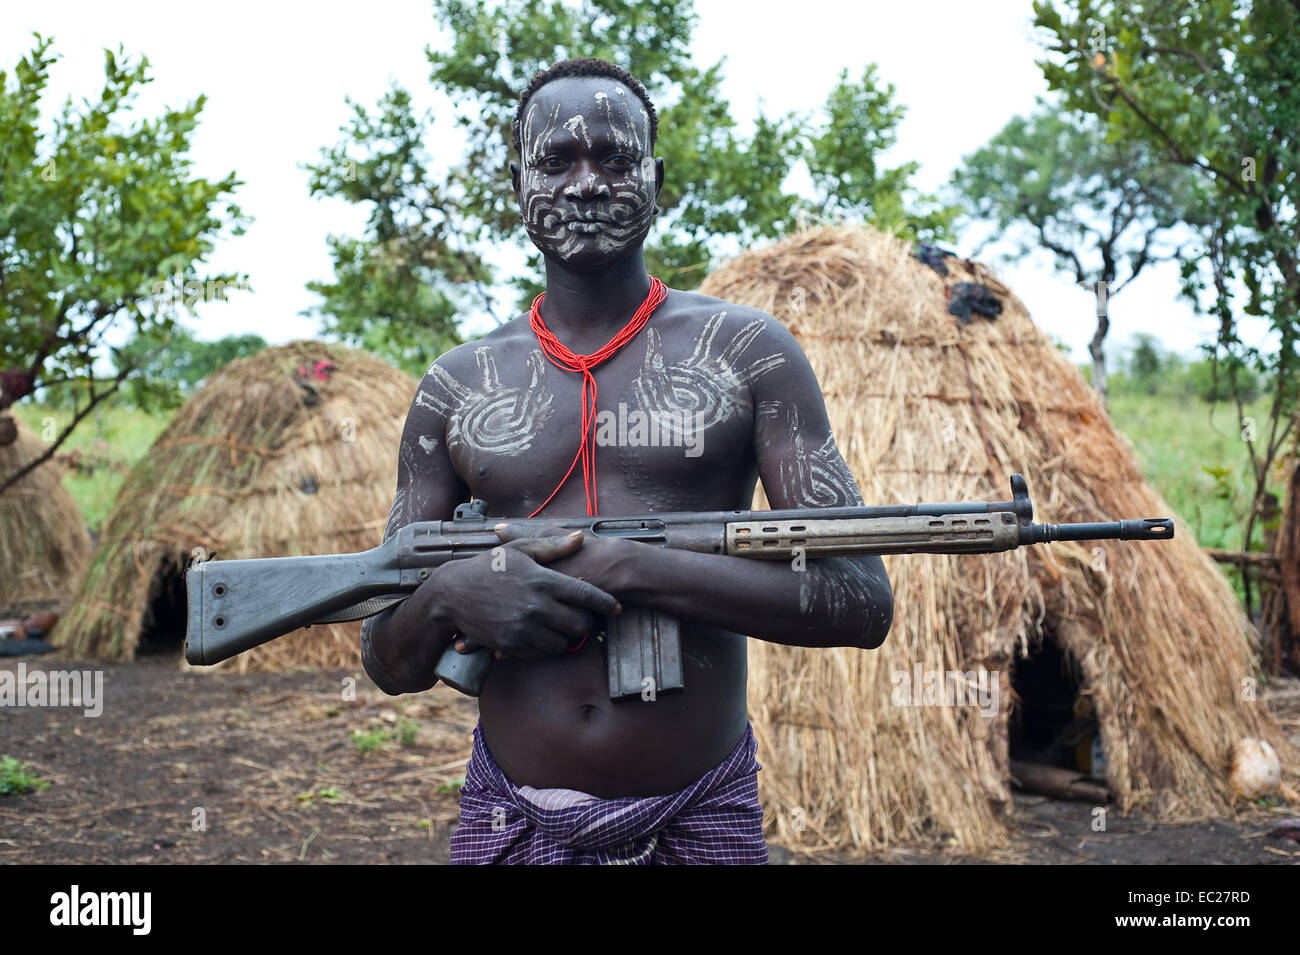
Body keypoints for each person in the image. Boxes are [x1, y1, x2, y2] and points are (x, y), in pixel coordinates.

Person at [360, 57, 893, 864]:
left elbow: (860, 601)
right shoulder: (456, 387)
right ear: (517, 183)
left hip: (698, 813)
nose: (586, 183)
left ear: (656, 177)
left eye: (614, 158)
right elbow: (386, 659)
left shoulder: (747, 354)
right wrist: (448, 596)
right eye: (555, 161)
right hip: (509, 821)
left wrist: (630, 568)